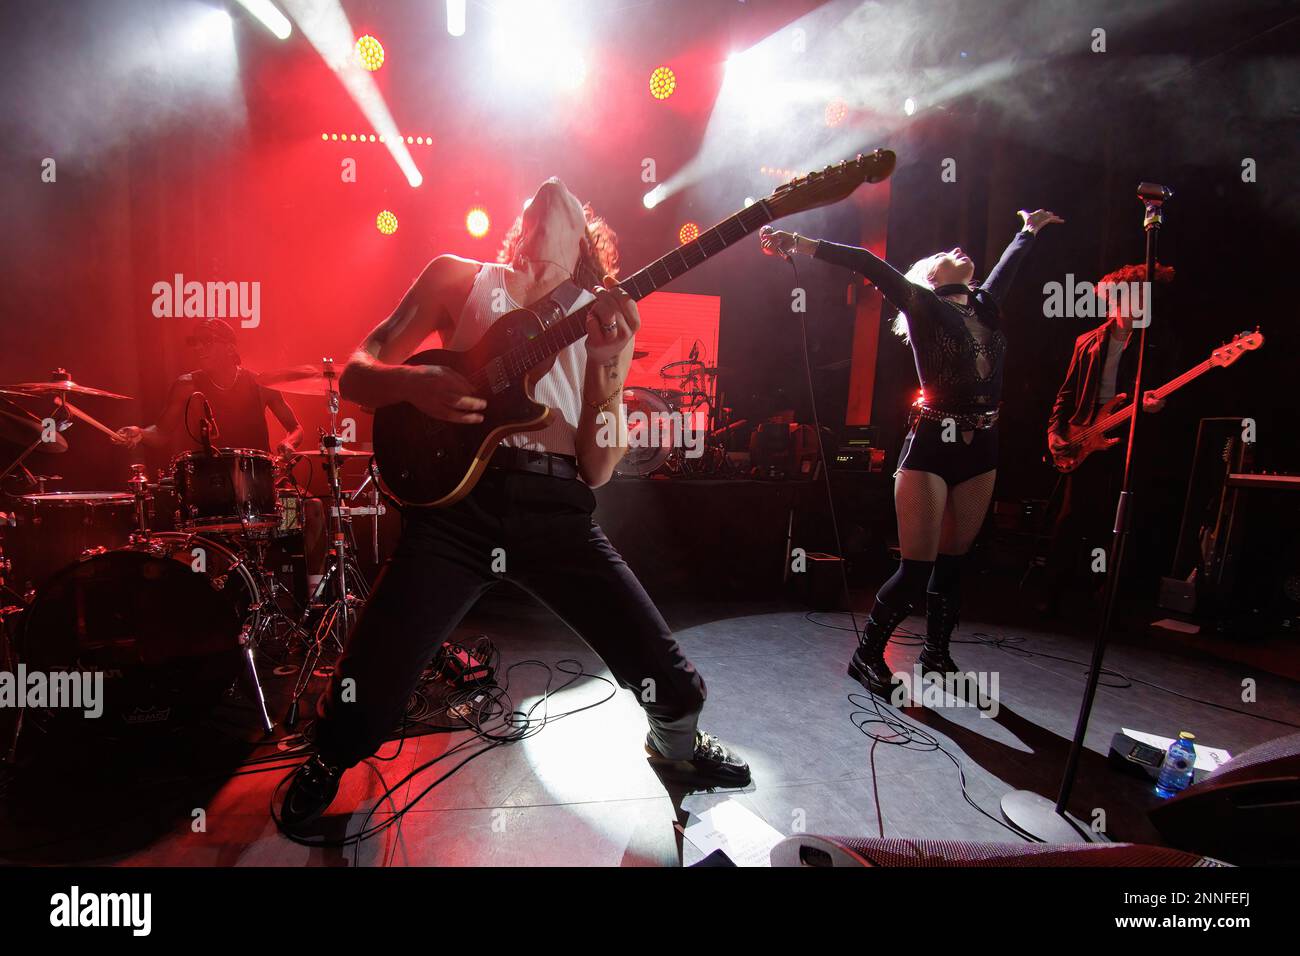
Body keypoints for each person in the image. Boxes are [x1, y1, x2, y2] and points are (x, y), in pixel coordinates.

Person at [279, 178, 749, 828]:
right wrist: (412, 383)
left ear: (587, 235)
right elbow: (358, 370)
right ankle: (329, 757)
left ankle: (675, 748)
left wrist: (610, 366)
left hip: (555, 502)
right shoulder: (458, 276)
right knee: (375, 672)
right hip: (459, 508)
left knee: (671, 681)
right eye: (536, 197)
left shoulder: (603, 312)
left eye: (571, 200)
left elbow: (599, 466)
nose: (553, 187)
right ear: (518, 223)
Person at [760, 209, 1062, 693]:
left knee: (954, 562)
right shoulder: (922, 303)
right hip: (931, 447)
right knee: (916, 566)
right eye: (944, 256)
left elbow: (1010, 266)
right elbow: (865, 261)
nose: (957, 253)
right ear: (930, 276)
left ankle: (936, 656)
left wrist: (1027, 230)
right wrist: (797, 241)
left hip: (982, 445)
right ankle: (867, 655)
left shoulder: (985, 306)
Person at [1040, 263, 1173, 617]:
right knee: (1071, 518)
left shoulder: (1153, 343)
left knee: (1122, 517)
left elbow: (1163, 392)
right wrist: (1055, 432)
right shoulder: (1087, 341)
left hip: (1128, 432)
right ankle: (1051, 593)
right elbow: (1065, 394)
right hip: (1084, 433)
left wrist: (1157, 405)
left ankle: (1107, 595)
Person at [113, 318, 302, 456]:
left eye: (207, 341)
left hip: (258, 479)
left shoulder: (261, 384)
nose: (199, 347)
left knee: (303, 506)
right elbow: (161, 432)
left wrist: (289, 442)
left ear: (230, 348)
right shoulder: (186, 385)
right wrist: (140, 433)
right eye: (195, 342)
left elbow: (295, 428)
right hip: (211, 482)